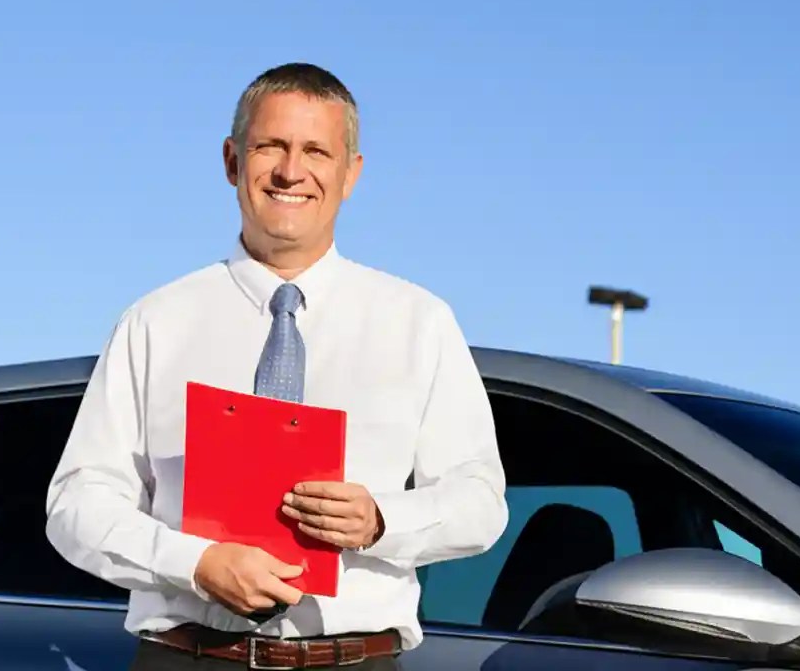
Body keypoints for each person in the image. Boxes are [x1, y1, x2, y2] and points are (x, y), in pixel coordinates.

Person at [45, 62, 509, 671]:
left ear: (351, 174)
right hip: (189, 656)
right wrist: (194, 563)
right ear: (233, 161)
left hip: (355, 660)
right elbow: (77, 504)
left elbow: (481, 502)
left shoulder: (419, 324)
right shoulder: (155, 322)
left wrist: (380, 519)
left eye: (317, 150)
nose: (292, 171)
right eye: (272, 146)